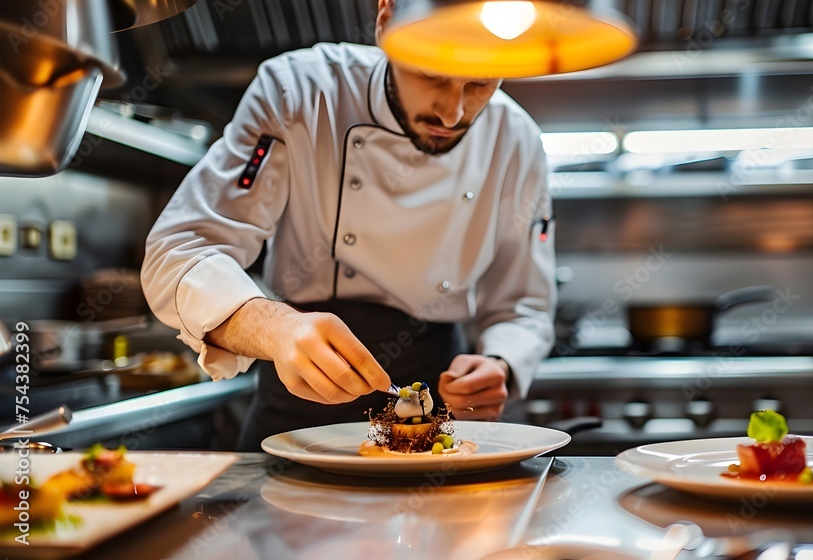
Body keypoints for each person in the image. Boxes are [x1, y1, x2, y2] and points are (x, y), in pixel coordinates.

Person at [140, 0, 556, 451]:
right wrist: (276, 329)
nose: (452, 114)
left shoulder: (517, 142)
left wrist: (502, 363)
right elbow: (179, 250)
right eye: (432, 75)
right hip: (297, 389)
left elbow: (524, 303)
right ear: (385, 20)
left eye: (480, 83)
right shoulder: (299, 90)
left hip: (433, 401)